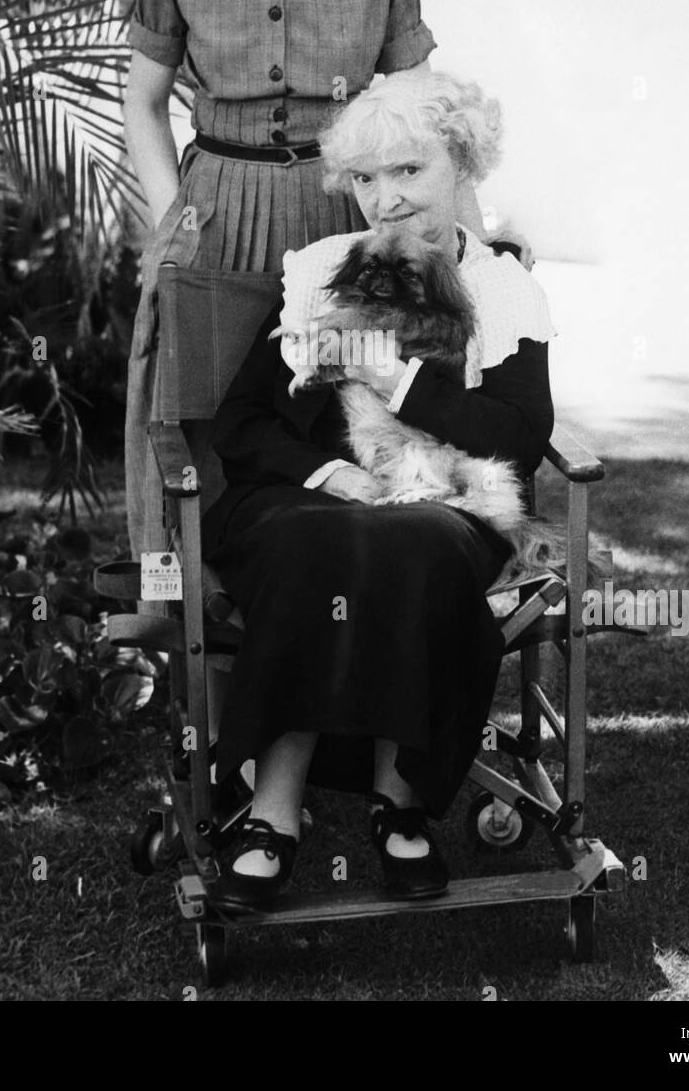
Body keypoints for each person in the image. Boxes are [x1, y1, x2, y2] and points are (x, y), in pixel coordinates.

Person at [200, 72, 556, 909]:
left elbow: (516, 436)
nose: (384, 201)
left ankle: (400, 804)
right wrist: (332, 473)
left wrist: (392, 384)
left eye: (407, 171)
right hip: (304, 496)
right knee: (317, 537)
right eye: (366, 178)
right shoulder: (322, 271)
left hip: (449, 500)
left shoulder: (505, 290)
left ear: (461, 163)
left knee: (415, 539)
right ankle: (275, 811)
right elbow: (241, 424)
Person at [124, 0, 460, 561]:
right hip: (220, 211)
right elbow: (144, 102)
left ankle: (349, 620)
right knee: (209, 423)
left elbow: (423, 106)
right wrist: (175, 225)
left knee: (351, 406)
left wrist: (463, 240)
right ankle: (217, 642)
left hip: (346, 210)